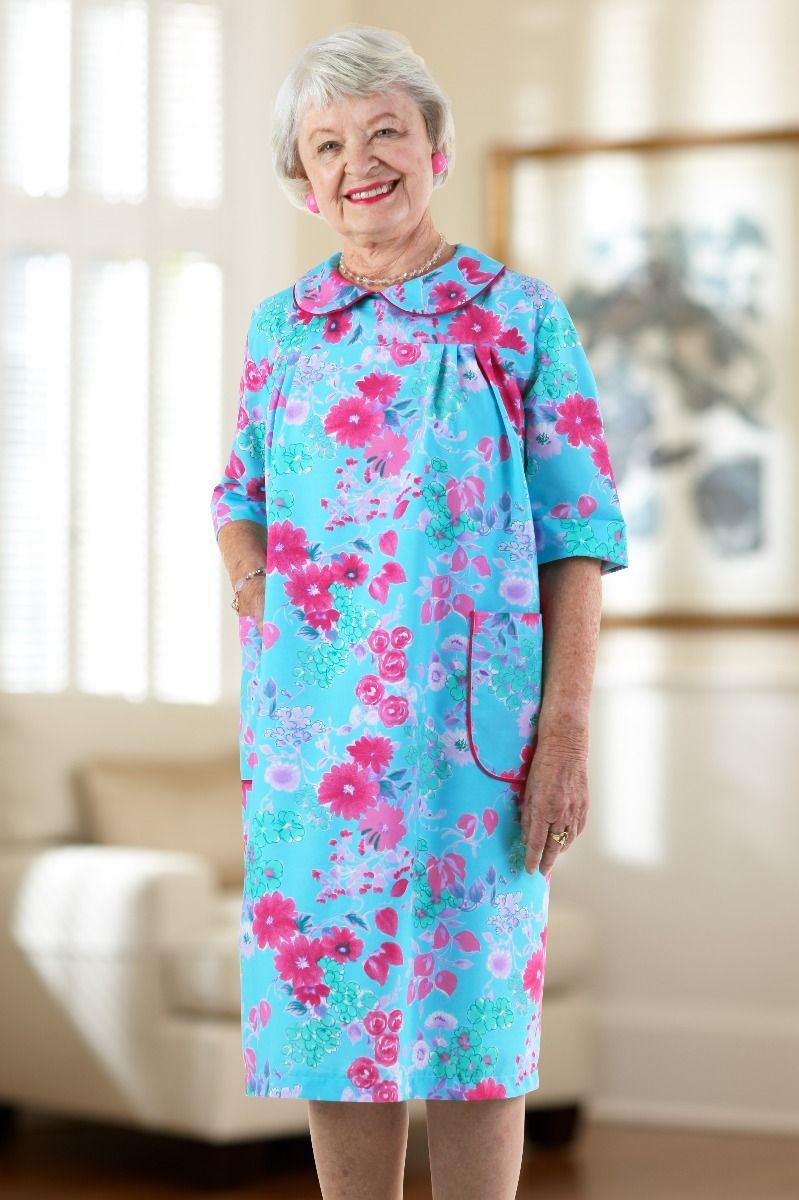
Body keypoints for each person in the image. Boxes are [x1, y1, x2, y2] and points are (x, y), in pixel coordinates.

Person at [210, 23, 628, 1200]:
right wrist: (256, 589)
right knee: (334, 1020)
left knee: (474, 1028)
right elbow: (237, 496)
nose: (361, 163)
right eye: (327, 145)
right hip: (315, 745)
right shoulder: (283, 328)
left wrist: (565, 729)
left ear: (435, 148)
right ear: (304, 180)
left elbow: (579, 535)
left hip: (472, 746)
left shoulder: (518, 318)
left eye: (386, 131)